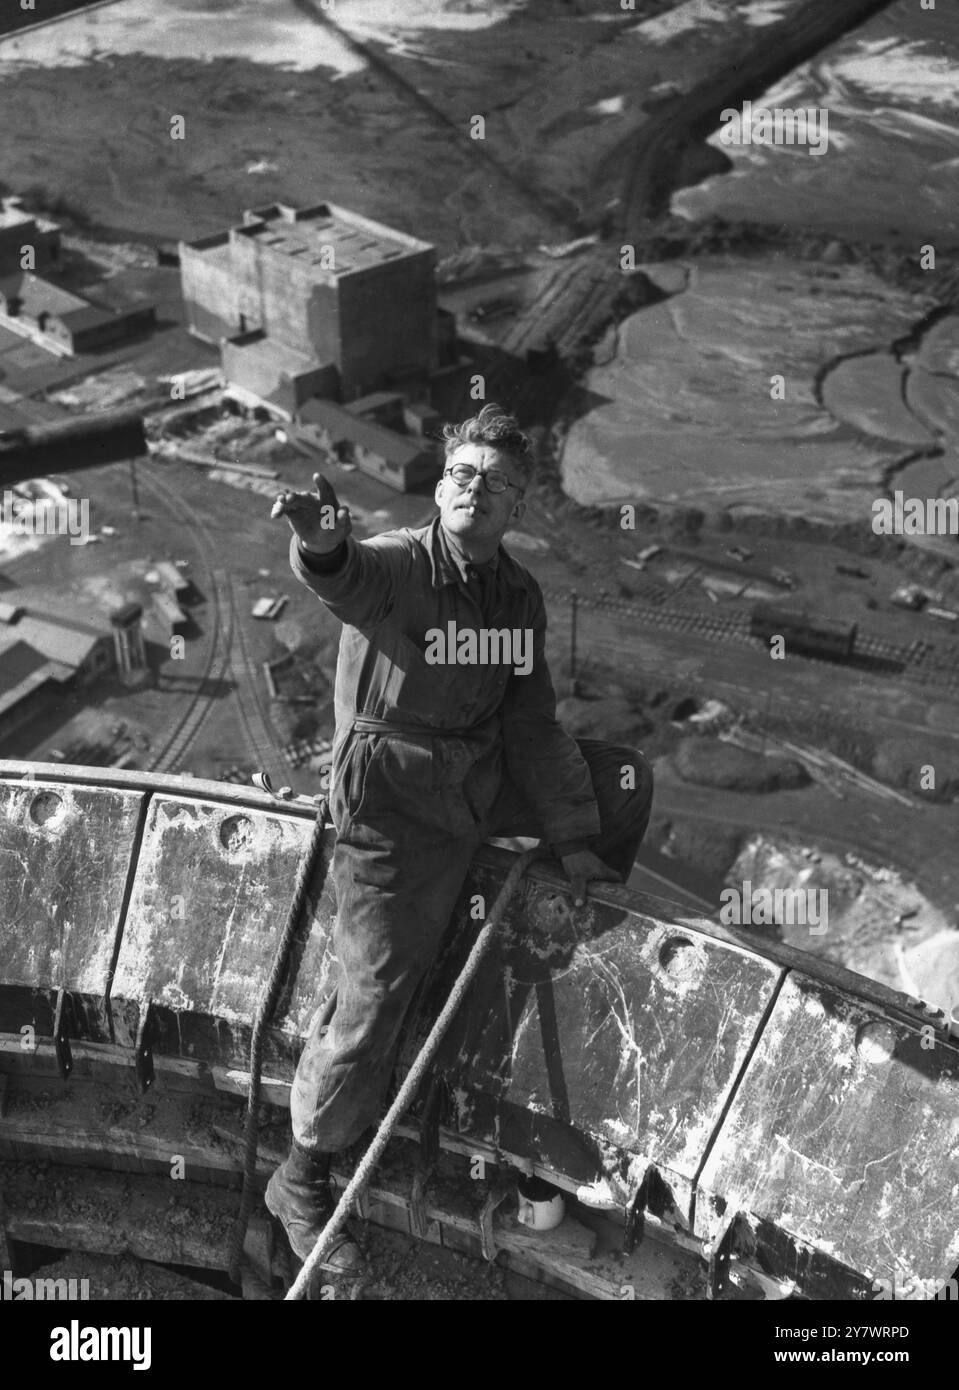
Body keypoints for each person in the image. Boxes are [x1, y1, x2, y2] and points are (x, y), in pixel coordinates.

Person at [266, 404, 653, 1273]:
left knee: (624, 777)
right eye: (464, 474)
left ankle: (545, 937)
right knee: (373, 997)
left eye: (498, 483)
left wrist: (576, 835)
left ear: (517, 509)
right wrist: (321, 543)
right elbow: (343, 576)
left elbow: (531, 723)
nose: (476, 489)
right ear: (441, 488)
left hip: (473, 778)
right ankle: (302, 1174)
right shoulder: (402, 564)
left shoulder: (515, 595)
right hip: (394, 808)